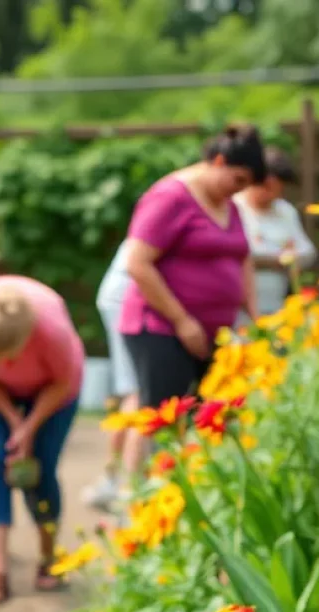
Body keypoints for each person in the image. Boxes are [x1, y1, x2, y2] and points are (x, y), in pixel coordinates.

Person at [0, 276, 83, 604]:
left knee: (41, 468)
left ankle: (48, 560)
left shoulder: (52, 332)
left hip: (53, 390)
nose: (3, 365)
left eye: (8, 357)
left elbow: (62, 383)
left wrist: (30, 427)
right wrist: (13, 419)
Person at [122, 126, 266, 417]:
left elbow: (243, 258)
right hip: (162, 329)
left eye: (245, 185)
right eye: (237, 179)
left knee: (210, 419)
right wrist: (182, 321)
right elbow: (138, 263)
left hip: (216, 333)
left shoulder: (229, 206)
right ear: (219, 161)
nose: (239, 190)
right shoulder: (170, 197)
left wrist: (254, 315)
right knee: (165, 420)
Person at [82, 239, 142, 511]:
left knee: (134, 391)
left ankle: (114, 480)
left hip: (128, 296)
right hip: (131, 299)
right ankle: (121, 484)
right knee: (139, 392)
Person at [234, 146, 317, 317]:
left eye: (277, 188)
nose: (271, 194)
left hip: (278, 305)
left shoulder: (284, 210)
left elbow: (307, 252)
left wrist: (276, 258)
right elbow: (238, 252)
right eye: (267, 186)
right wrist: (281, 258)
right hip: (240, 308)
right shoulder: (234, 208)